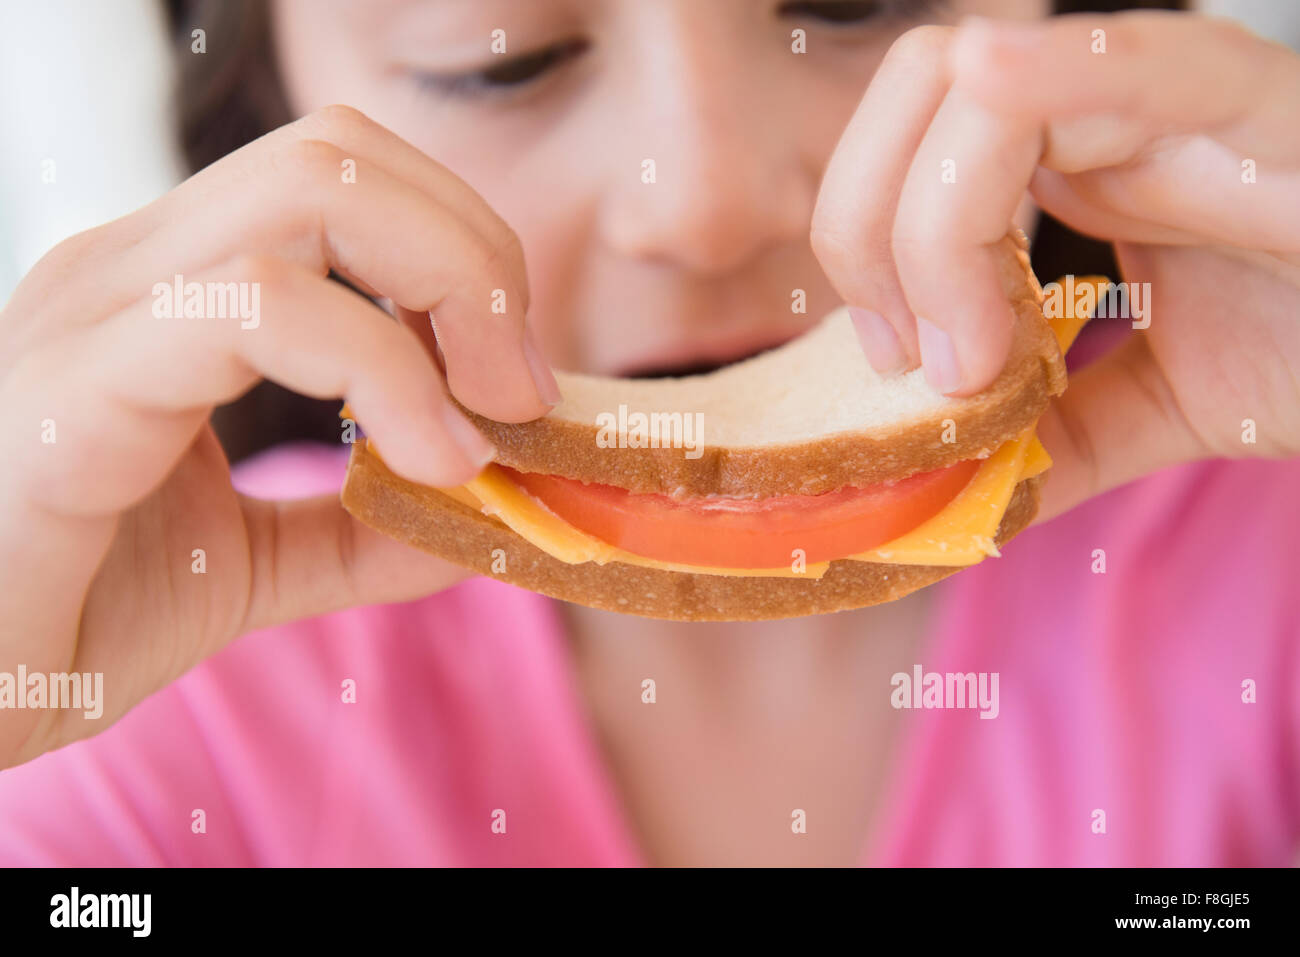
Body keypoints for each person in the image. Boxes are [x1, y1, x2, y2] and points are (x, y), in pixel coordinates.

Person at [0, 0, 1296, 866]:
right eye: (499, 56)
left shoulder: (1263, 522)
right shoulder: (171, 683)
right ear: (274, 90)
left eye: (848, 3)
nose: (704, 206)